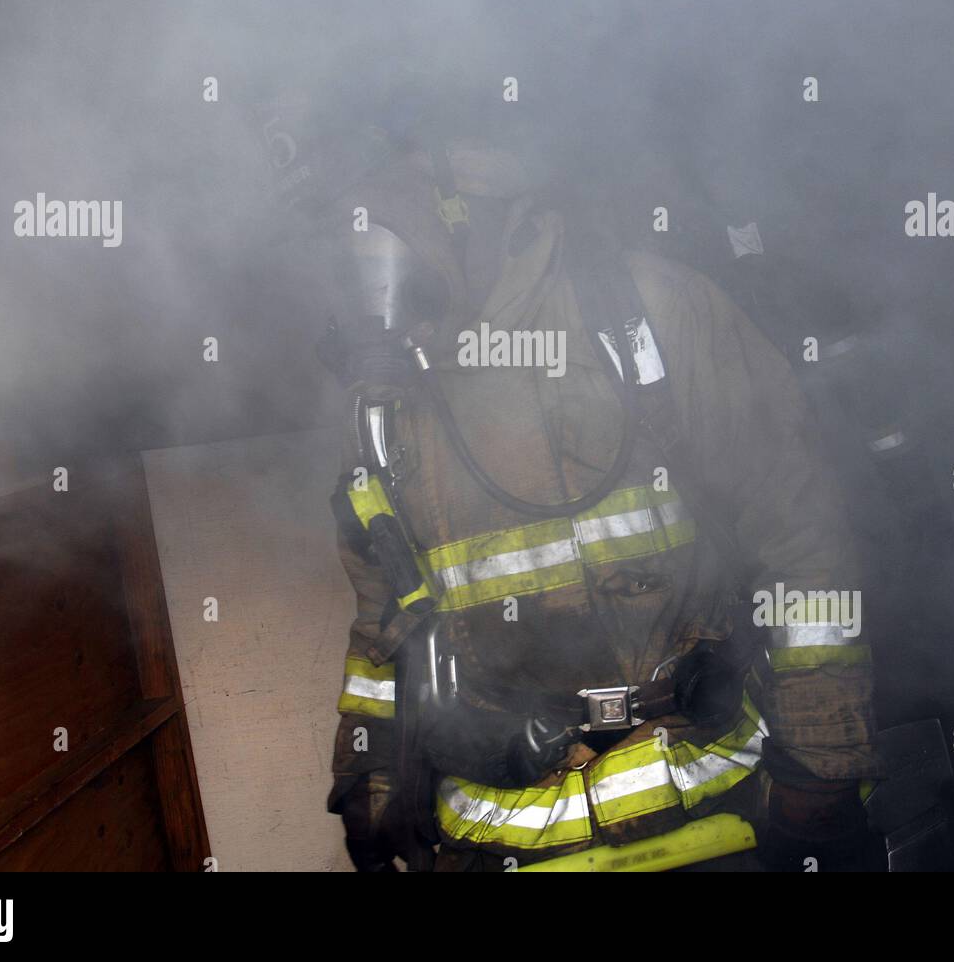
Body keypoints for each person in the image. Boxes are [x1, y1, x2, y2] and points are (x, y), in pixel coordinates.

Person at [320, 135, 880, 871]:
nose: (373, 274)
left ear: (460, 211)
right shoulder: (384, 412)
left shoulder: (654, 315)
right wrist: (370, 785)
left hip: (716, 810)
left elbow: (802, 538)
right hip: (509, 840)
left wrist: (822, 762)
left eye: (384, 229)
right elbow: (385, 628)